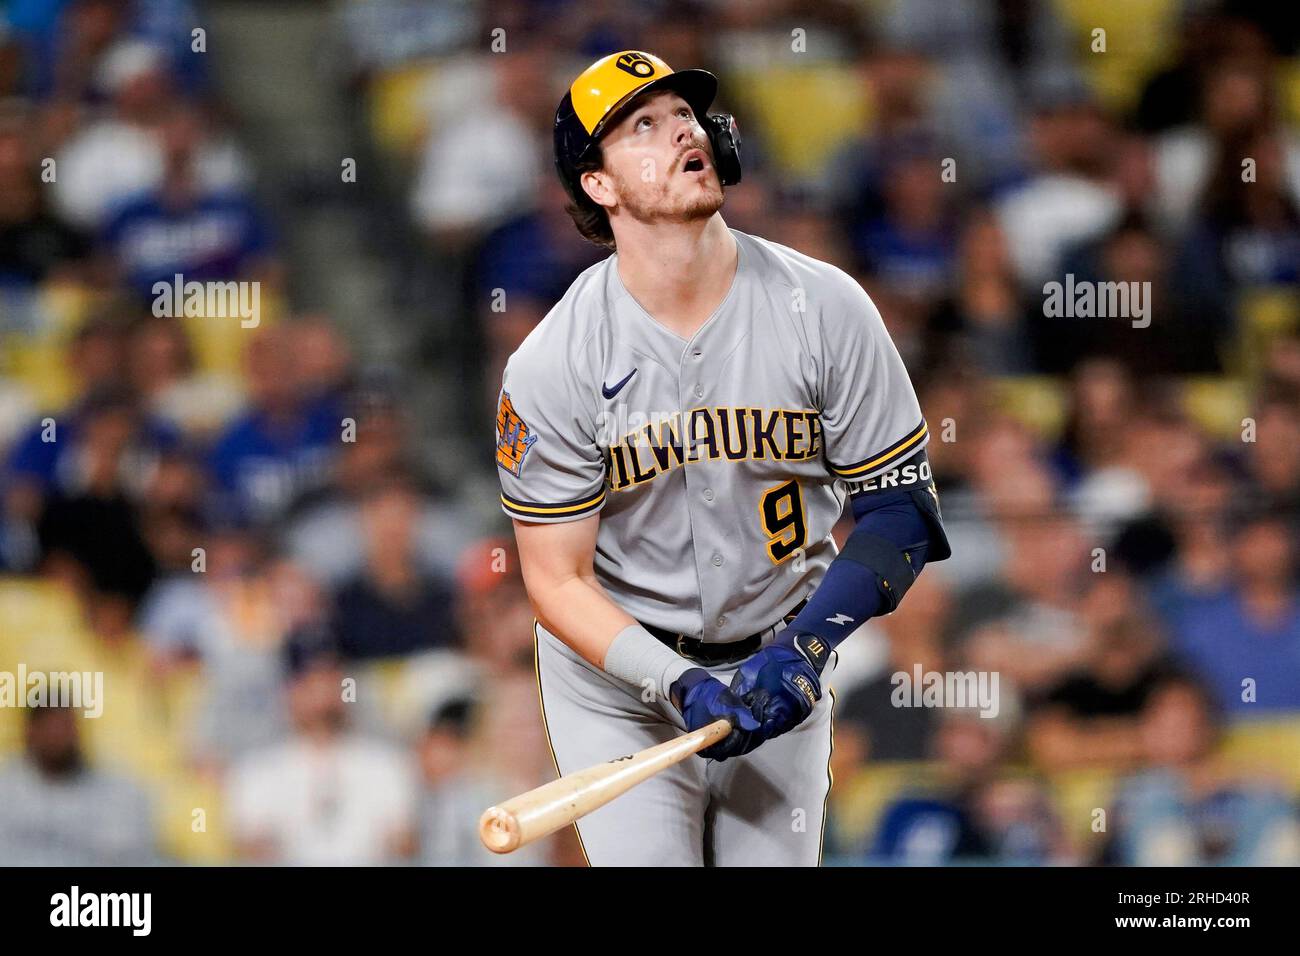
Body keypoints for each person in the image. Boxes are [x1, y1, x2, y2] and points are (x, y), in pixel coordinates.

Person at [495, 51, 950, 866]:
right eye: (644, 127)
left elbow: (900, 517)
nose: (680, 134)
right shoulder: (553, 359)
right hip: (620, 686)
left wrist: (808, 645)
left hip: (781, 654)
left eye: (684, 117)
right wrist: (669, 680)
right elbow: (554, 579)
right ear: (598, 185)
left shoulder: (826, 308)